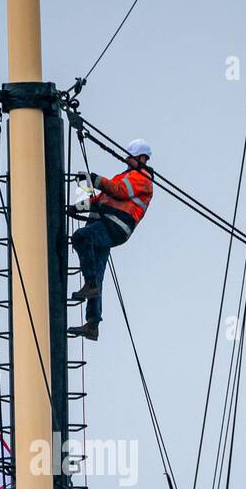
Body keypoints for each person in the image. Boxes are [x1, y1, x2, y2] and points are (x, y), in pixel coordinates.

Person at [67, 140, 154, 342]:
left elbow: (118, 191)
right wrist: (76, 208)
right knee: (98, 273)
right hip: (107, 224)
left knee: (81, 237)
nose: (127, 159)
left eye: (130, 156)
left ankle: (89, 284)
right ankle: (92, 323)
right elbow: (101, 200)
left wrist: (94, 180)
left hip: (116, 226)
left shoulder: (142, 179)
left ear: (141, 158)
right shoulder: (125, 176)